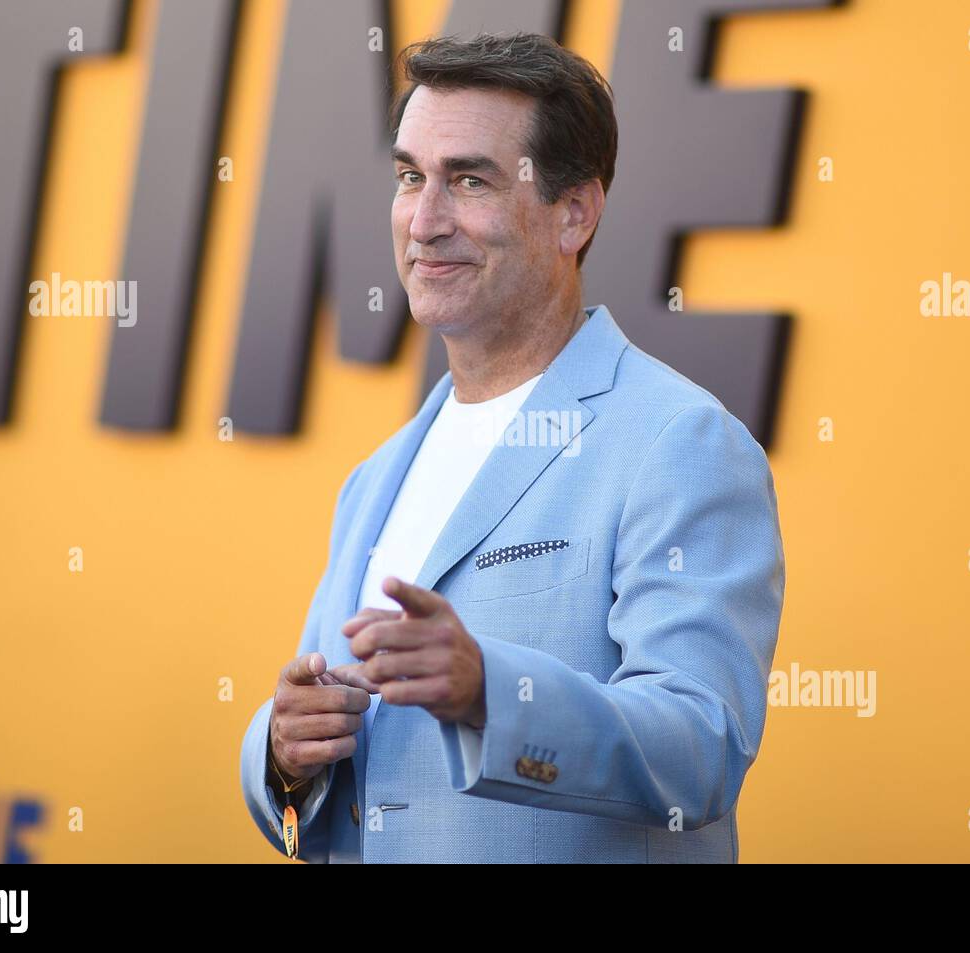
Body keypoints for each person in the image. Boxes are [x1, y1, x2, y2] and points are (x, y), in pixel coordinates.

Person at [240, 31, 785, 863]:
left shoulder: (679, 442)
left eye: (468, 180)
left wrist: (492, 692)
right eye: (409, 177)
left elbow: (700, 750)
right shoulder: (376, 477)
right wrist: (282, 753)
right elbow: (332, 765)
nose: (424, 221)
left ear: (576, 212)